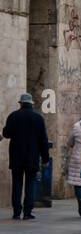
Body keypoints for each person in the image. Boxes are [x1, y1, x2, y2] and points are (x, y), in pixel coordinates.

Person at [4, 93, 51, 221]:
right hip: (32, 157)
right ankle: (27, 212)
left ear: (20, 103)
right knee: (30, 184)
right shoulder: (38, 118)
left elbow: (6, 133)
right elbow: (43, 141)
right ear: (32, 103)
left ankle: (16, 212)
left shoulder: (13, 116)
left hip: (16, 157)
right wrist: (46, 158)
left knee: (17, 183)